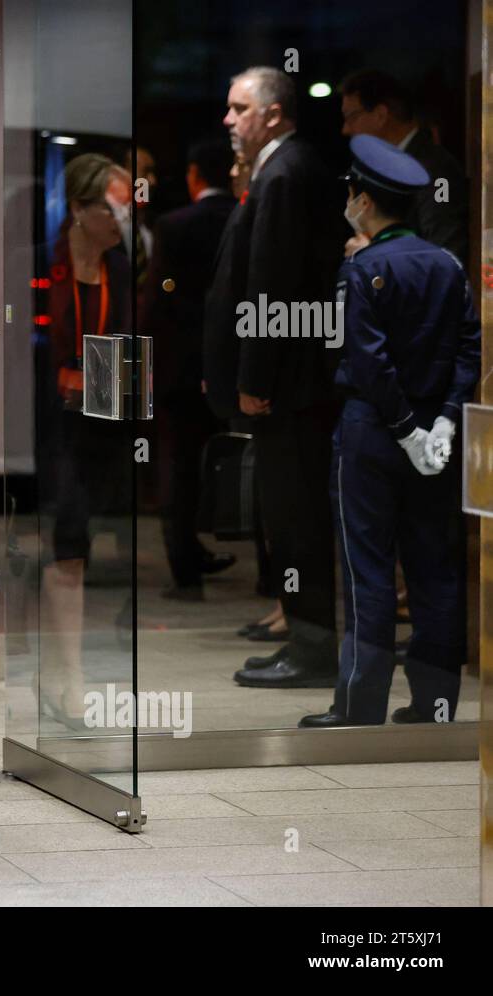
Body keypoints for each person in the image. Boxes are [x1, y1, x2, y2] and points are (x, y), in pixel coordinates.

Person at [301, 136, 479, 728]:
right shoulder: (449, 265)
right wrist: (444, 422)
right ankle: (434, 705)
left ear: (363, 200)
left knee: (368, 570)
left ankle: (359, 706)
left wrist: (403, 427)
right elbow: (469, 349)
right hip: (437, 437)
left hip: (375, 432)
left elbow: (367, 360)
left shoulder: (362, 267)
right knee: (435, 569)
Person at [201, 66, 344, 689]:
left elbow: (272, 283)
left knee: (295, 514)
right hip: (290, 379)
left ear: (274, 114)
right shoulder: (280, 169)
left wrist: (254, 376)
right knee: (288, 512)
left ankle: (312, 651)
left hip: (289, 382)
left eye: (239, 108)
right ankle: (308, 643)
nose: (228, 121)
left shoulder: (285, 172)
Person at [36, 152, 134, 726]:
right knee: (63, 540)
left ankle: (65, 669)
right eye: (113, 205)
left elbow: (134, 345)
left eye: (128, 203)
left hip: (101, 417)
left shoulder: (123, 267)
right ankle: (66, 673)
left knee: (81, 542)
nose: (122, 215)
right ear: (78, 208)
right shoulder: (40, 265)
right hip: (46, 421)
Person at [141, 139, 237, 600]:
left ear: (195, 174)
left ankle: (186, 570)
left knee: (177, 468)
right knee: (247, 459)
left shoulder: (173, 224)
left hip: (180, 364)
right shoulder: (244, 217)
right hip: (235, 361)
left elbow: (158, 301)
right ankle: (272, 572)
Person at [339, 69, 468, 265]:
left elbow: (446, 254)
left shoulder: (434, 168)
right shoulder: (389, 166)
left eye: (351, 116)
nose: (346, 129)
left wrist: (375, 254)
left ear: (381, 115)